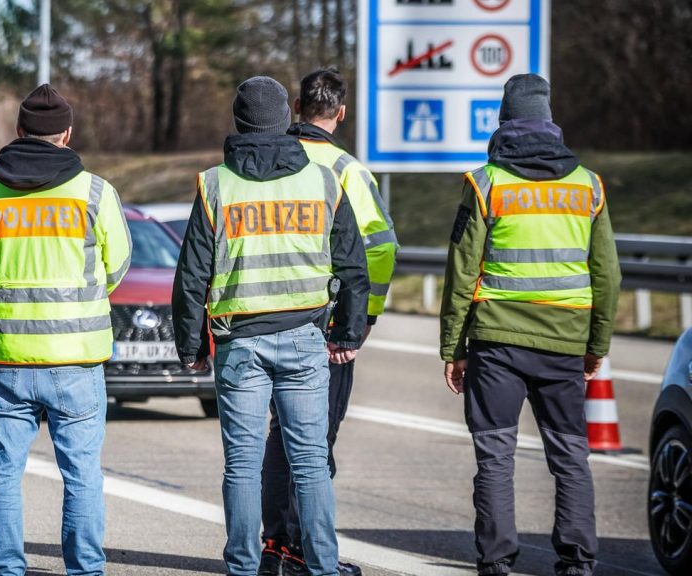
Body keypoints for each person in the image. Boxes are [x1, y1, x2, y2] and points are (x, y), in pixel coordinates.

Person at [172, 76, 370, 576]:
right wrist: (347, 335)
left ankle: (243, 566)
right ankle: (322, 566)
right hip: (305, 338)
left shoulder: (216, 184)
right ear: (288, 119)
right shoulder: (325, 181)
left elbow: (193, 274)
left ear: (238, 123)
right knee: (309, 463)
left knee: (242, 464)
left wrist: (192, 344)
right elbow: (353, 266)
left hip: (239, 342)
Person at [439, 73, 621, 576]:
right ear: (549, 119)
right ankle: (578, 561)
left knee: (495, 454)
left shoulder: (486, 183)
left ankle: (496, 562)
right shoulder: (588, 186)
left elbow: (461, 271)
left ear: (504, 121)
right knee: (569, 454)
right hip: (564, 340)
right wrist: (596, 344)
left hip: (496, 342)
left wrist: (452, 348)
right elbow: (607, 273)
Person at [0, 84, 132, 576]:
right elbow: (118, 266)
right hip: (75, 358)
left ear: (18, 133)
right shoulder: (94, 192)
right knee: (81, 474)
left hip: (5, 357)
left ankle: (7, 568)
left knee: (3, 470)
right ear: (67, 135)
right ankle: (84, 569)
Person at [257, 67, 397, 576]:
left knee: (276, 435)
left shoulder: (263, 159)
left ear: (296, 107)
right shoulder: (344, 168)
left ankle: (274, 546)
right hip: (324, 324)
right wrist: (361, 319)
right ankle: (299, 551)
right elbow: (378, 249)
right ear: (341, 112)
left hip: (262, 319)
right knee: (314, 441)